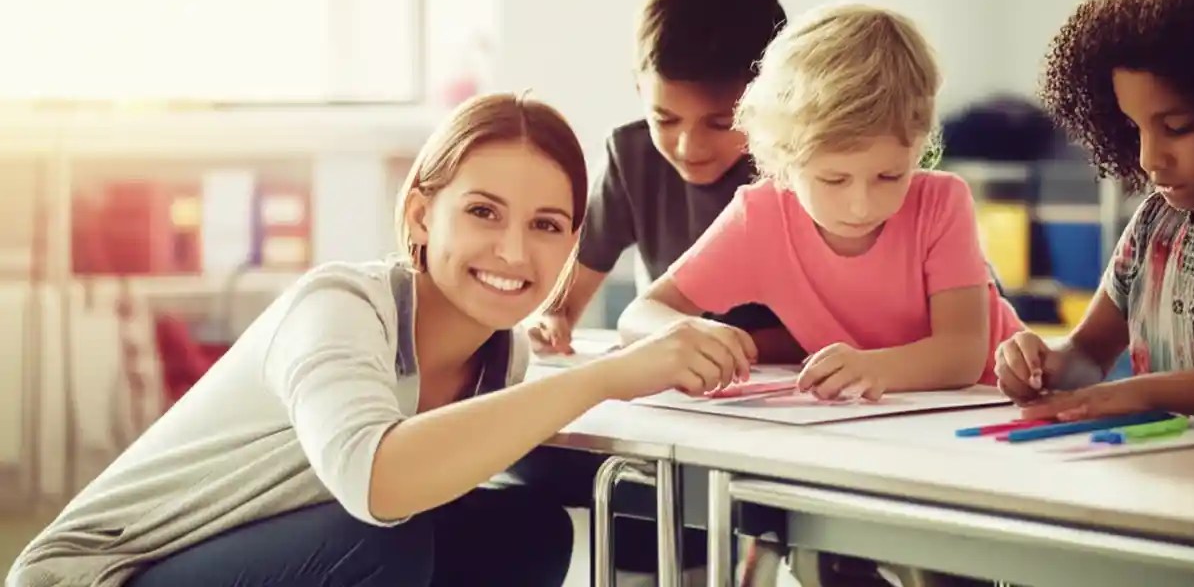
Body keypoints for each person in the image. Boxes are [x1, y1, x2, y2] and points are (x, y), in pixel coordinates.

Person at [7, 93, 756, 587]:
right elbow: (377, 483)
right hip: (103, 575)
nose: (514, 253)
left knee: (523, 532)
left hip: (248, 560)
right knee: (379, 543)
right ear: (424, 216)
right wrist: (606, 374)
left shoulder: (505, 354)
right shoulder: (338, 308)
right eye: (484, 213)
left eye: (546, 226)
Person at [618, 2, 1021, 586]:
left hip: (988, 430)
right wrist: (687, 334)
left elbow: (962, 352)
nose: (862, 205)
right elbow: (643, 311)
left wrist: (870, 367)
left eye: (890, 175)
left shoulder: (941, 202)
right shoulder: (760, 217)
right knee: (825, 559)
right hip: (862, 443)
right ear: (782, 157)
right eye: (833, 179)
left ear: (919, 148)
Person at [996, 0, 1194, 424]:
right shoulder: (1155, 224)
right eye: (1133, 127)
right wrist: (1046, 364)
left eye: (1176, 128)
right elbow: (1089, 352)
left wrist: (1146, 393)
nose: (1150, 157)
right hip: (1165, 486)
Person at [526, 0, 799, 363]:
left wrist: (732, 345)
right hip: (674, 375)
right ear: (639, 87)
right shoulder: (632, 159)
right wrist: (549, 319)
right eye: (665, 119)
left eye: (722, 123)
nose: (690, 147)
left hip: (784, 380)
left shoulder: (800, 168)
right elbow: (562, 301)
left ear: (772, 98)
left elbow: (834, 330)